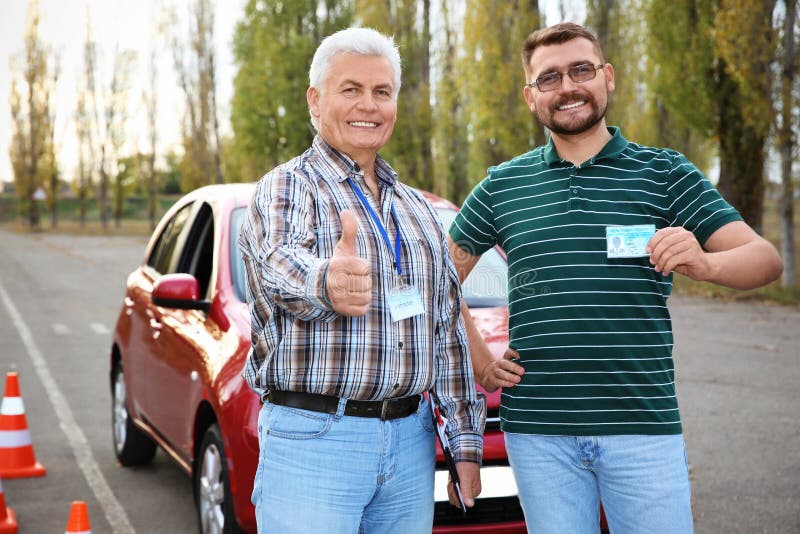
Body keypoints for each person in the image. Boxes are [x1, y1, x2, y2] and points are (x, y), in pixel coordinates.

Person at [448, 22, 783, 534]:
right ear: (530, 96)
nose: (567, 87)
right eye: (549, 77)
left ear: (607, 77)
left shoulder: (665, 173)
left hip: (642, 429)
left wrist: (706, 262)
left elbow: (765, 260)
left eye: (581, 69)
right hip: (539, 436)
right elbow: (438, 280)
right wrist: (480, 360)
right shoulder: (502, 186)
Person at [238, 27, 485, 533]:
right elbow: (279, 264)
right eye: (350, 89)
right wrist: (326, 280)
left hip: (411, 445)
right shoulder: (288, 186)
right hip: (315, 439)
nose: (368, 105)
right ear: (315, 98)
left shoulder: (417, 209)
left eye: (382, 92)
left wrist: (465, 444)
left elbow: (446, 332)